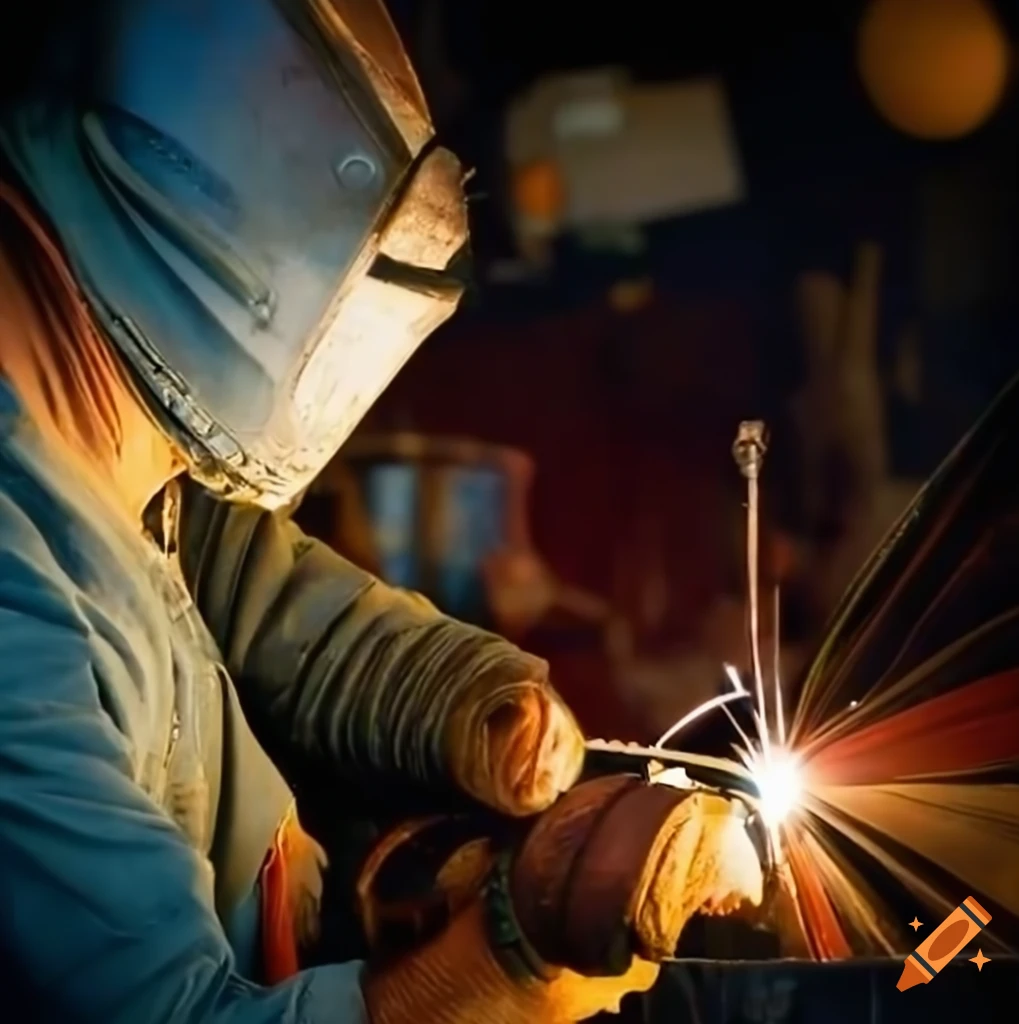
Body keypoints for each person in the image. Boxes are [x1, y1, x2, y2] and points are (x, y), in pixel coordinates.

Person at [0, 2, 764, 1021]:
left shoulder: (99, 407)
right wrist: (508, 958)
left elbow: (224, 562)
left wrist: (460, 698)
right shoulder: (19, 599)